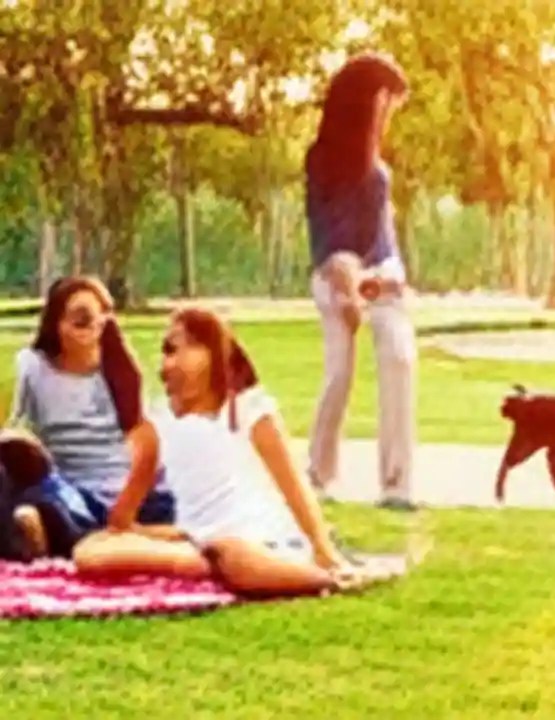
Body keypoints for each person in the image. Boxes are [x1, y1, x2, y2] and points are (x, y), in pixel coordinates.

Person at [72, 308, 357, 597]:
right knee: (90, 551)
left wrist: (325, 551)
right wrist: (139, 533)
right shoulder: (160, 421)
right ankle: (204, 566)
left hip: (259, 542)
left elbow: (294, 485)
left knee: (231, 553)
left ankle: (322, 579)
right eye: (164, 354)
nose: (165, 365)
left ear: (209, 352)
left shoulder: (249, 408)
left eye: (174, 350)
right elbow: (122, 520)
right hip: (197, 542)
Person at [304, 52, 418, 509]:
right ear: (371, 99)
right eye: (389, 101)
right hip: (336, 272)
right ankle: (319, 471)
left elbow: (382, 240)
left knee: (398, 356)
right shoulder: (323, 158)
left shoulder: (379, 171)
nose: (390, 113)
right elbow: (329, 233)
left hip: (380, 274)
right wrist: (348, 283)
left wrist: (387, 280)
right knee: (340, 372)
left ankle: (397, 484)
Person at [6, 277, 175, 557]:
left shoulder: (121, 371)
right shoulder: (32, 366)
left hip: (132, 497)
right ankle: (76, 533)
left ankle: (97, 536)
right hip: (74, 490)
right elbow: (16, 423)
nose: (87, 327)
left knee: (179, 501)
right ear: (56, 323)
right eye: (77, 319)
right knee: (39, 495)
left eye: (93, 318)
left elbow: (145, 445)